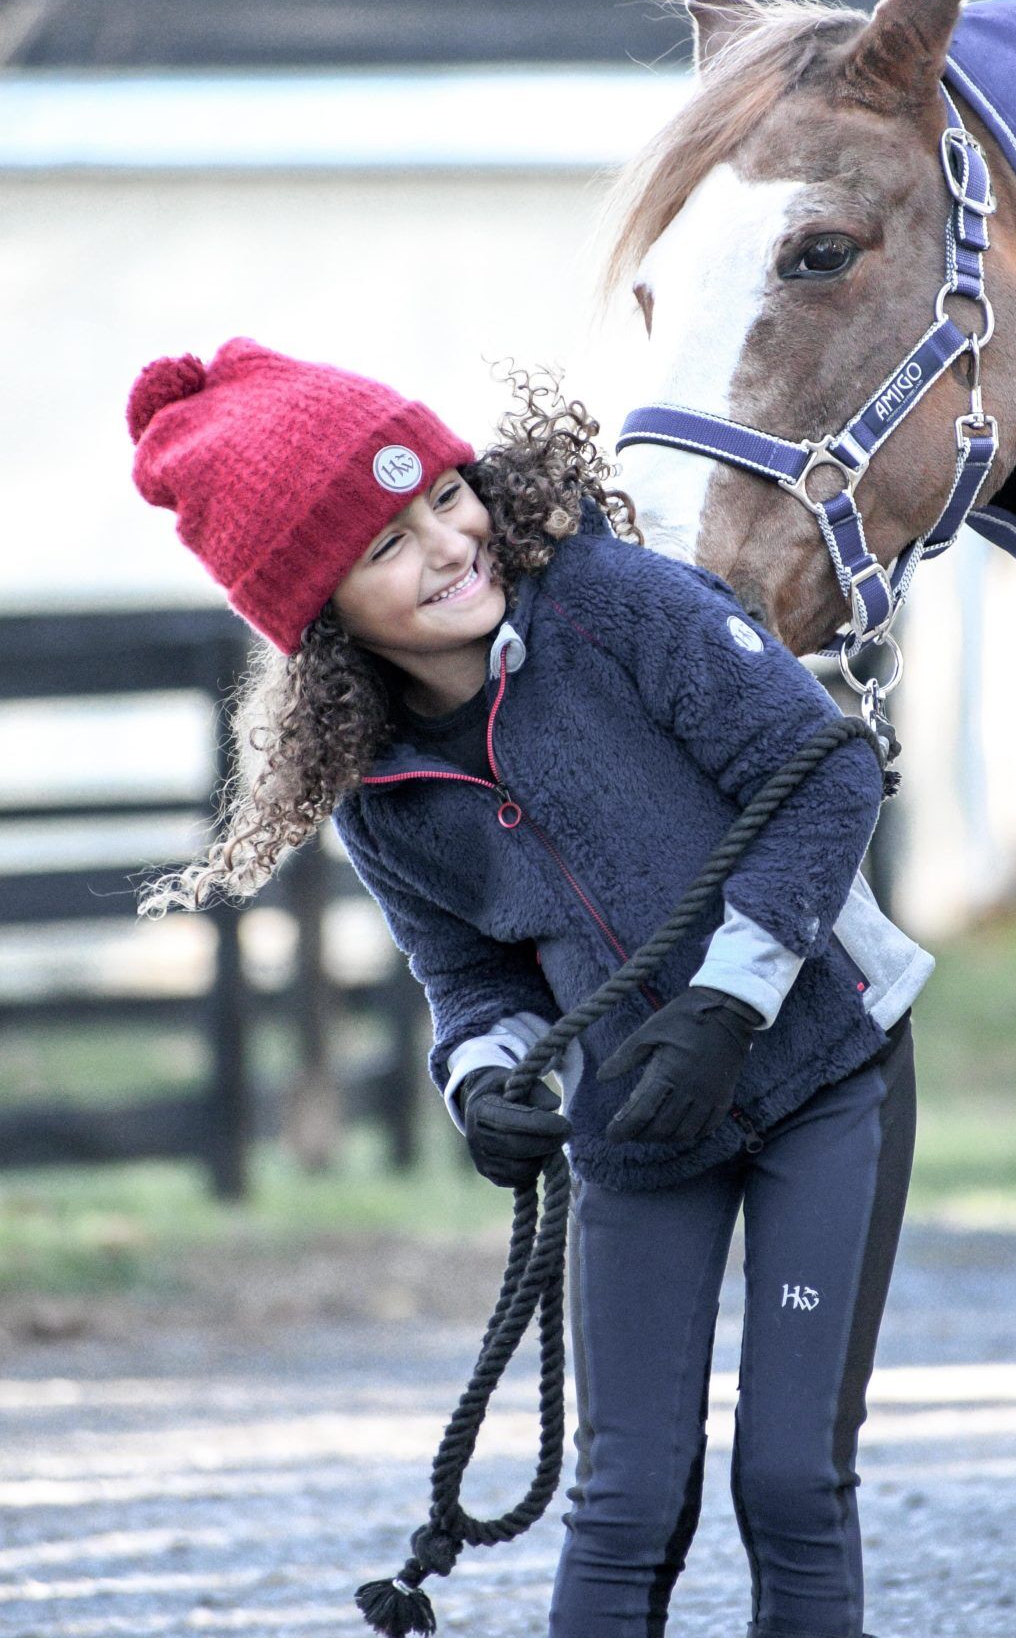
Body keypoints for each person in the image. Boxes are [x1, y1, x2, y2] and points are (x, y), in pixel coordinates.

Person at [129, 334, 934, 1638]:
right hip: (637, 1127)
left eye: (446, 495)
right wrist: (484, 1080)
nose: (449, 544)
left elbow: (823, 774)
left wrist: (728, 1002)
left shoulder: (620, 607)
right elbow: (466, 972)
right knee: (624, 1503)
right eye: (388, 546)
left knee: (788, 1479)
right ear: (323, 618)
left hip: (821, 1070)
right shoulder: (380, 791)